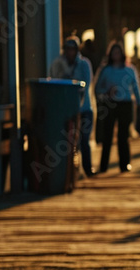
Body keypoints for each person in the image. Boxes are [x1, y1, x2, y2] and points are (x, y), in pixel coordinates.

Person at [95, 41, 140, 174]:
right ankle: (103, 166)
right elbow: (98, 88)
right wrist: (107, 92)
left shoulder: (130, 69)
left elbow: (136, 87)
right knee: (107, 135)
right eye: (113, 52)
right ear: (110, 54)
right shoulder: (106, 70)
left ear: (122, 54)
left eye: (118, 52)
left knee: (123, 136)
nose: (116, 55)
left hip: (126, 104)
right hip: (110, 104)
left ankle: (124, 164)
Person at [49, 36, 95, 177]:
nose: (70, 52)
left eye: (73, 49)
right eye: (68, 49)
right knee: (70, 143)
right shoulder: (59, 63)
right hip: (68, 110)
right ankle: (73, 172)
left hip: (84, 108)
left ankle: (87, 169)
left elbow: (86, 83)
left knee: (84, 140)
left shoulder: (84, 64)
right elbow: (54, 80)